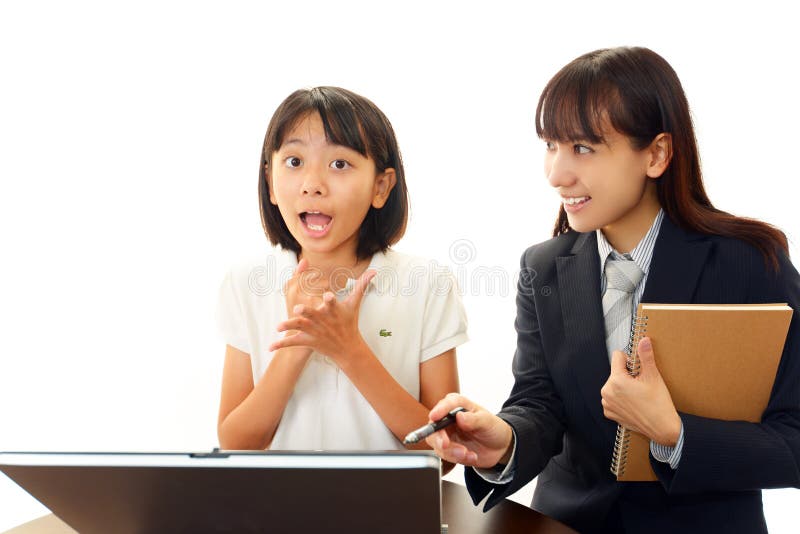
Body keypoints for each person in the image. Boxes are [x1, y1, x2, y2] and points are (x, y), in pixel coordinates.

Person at [427, 47, 800, 533]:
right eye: (552, 146)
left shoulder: (750, 264)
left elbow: (793, 440)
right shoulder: (543, 267)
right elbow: (540, 404)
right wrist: (505, 440)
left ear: (657, 154)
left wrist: (674, 434)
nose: (557, 174)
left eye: (582, 148)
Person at [217, 86, 466, 452]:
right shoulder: (245, 284)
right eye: (294, 162)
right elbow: (236, 444)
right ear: (270, 182)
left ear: (380, 187)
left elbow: (444, 451)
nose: (313, 185)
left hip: (388, 506)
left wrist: (349, 350)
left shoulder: (427, 284)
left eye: (339, 164)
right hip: (279, 506)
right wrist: (298, 344)